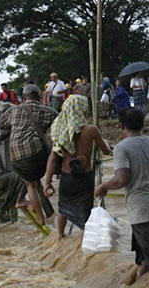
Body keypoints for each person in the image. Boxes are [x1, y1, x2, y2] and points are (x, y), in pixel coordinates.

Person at [95, 108, 149, 288]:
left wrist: (103, 187)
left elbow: (121, 179)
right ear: (143, 124)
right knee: (144, 257)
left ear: (122, 126)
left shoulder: (122, 147)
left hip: (142, 211)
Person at [45, 94, 112, 239]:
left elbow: (53, 157)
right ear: (81, 110)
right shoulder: (91, 130)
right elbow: (106, 151)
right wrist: (105, 142)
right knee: (84, 213)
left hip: (66, 177)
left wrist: (47, 182)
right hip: (85, 178)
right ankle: (81, 246)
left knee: (63, 209)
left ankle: (60, 237)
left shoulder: (59, 130)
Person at [0, 84, 57, 227]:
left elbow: (0, 123)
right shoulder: (48, 111)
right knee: (33, 181)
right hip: (36, 154)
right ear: (39, 97)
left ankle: (36, 212)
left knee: (29, 183)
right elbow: (59, 121)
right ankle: (41, 216)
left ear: (24, 98)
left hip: (16, 155)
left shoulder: (14, 110)